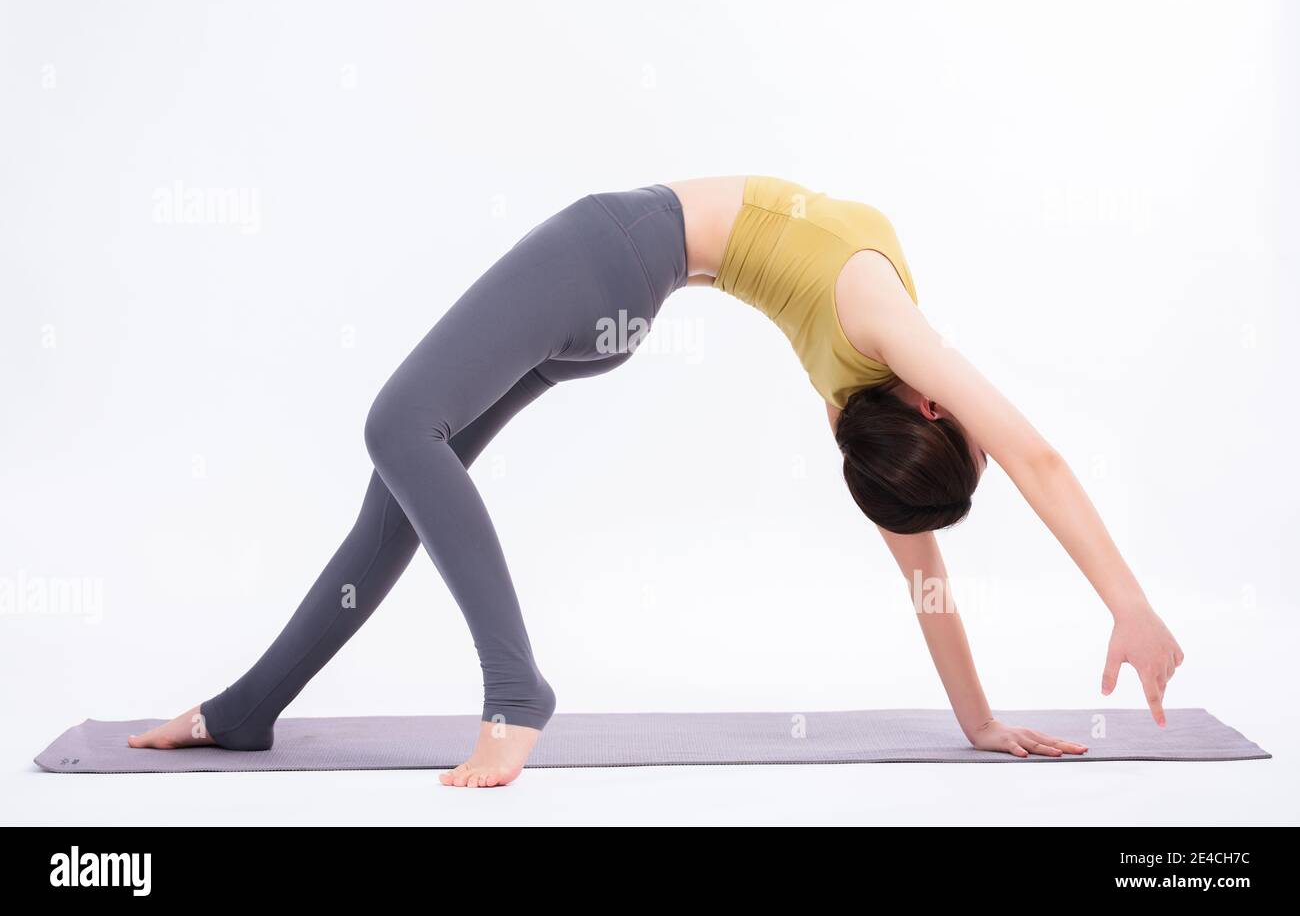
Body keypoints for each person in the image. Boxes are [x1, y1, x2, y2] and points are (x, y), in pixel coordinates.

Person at [127, 175, 1183, 786]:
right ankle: (246, 708)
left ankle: (513, 694)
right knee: (407, 471)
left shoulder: (882, 335)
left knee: (398, 425)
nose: (974, 413)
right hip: (629, 294)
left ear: (932, 406)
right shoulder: (853, 401)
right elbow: (924, 571)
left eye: (968, 429)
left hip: (616, 251)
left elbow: (1032, 454)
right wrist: (975, 720)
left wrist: (1127, 607)